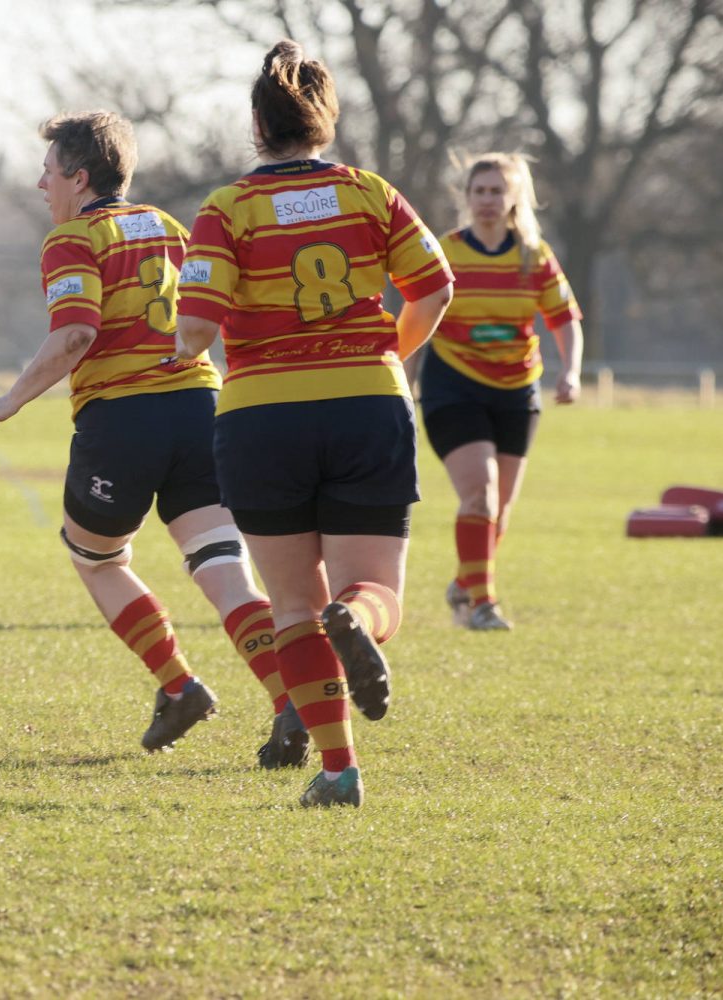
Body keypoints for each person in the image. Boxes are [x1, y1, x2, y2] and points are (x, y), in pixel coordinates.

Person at [0, 111, 302, 762]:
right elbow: (219, 312)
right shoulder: (171, 229)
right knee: (224, 570)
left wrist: (10, 400)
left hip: (123, 420)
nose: (41, 184)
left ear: (79, 177)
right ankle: (291, 703)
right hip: (201, 410)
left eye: (48, 170)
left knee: (97, 558)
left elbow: (76, 335)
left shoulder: (73, 239)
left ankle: (179, 687)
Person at [176, 41, 454, 806]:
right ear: (324, 120)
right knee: (373, 590)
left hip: (262, 418)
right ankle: (358, 619)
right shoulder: (370, 192)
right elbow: (435, 291)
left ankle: (338, 773)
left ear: (257, 126)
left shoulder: (228, 209)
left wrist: (175, 336)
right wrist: (381, 360)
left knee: (292, 608)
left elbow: (196, 331)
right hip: (367, 404)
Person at [408, 153, 584, 631]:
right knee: (480, 496)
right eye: (478, 191)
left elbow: (564, 319)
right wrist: (401, 372)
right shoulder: (445, 251)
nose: (487, 201)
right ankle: (482, 605)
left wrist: (571, 372)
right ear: (465, 197)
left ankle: (465, 581)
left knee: (499, 511)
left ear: (514, 199)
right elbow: (418, 313)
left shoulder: (534, 255)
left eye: (496, 191)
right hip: (454, 386)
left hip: (517, 390)